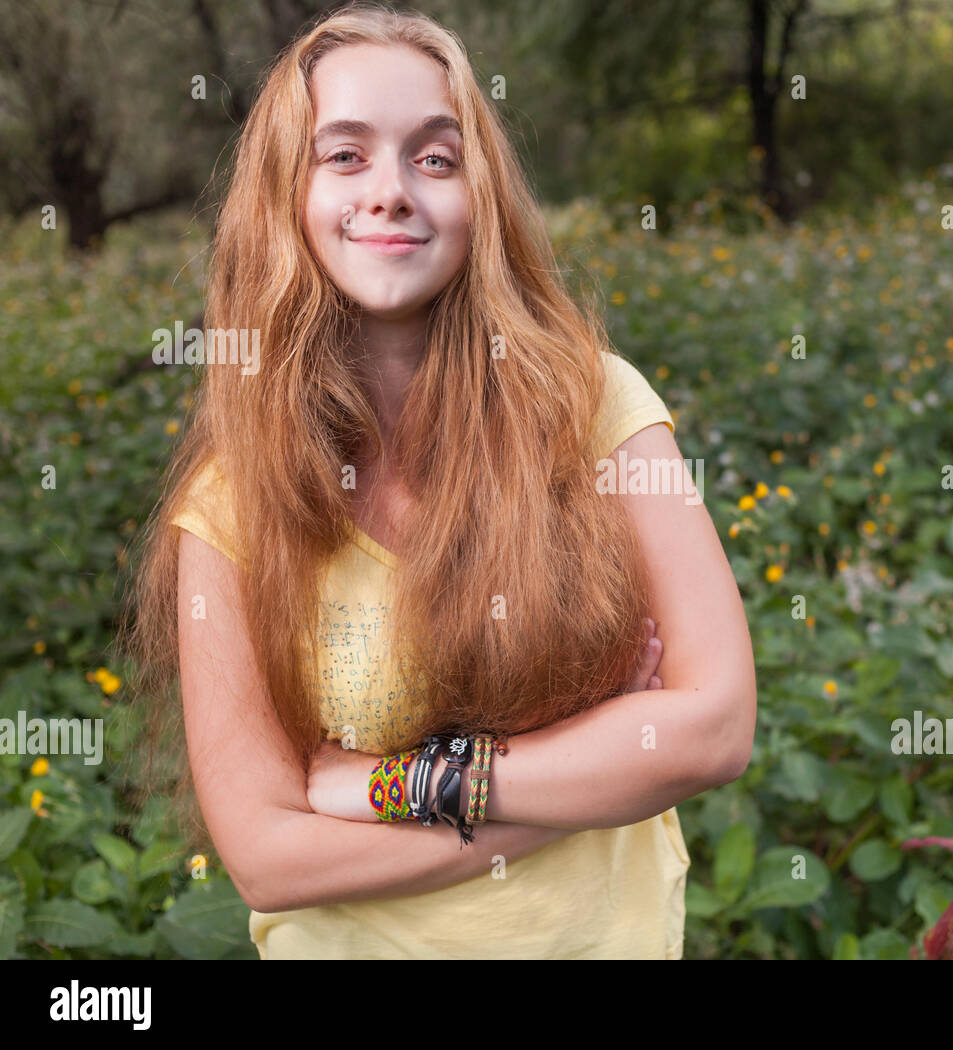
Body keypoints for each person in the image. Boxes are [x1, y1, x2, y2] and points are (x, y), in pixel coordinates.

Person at [121, 4, 756, 960]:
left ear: (482, 194)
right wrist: (587, 780)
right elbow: (268, 859)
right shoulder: (233, 502)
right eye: (344, 156)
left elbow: (712, 730)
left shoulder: (594, 407)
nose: (390, 192)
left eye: (435, 156)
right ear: (283, 196)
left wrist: (384, 786)